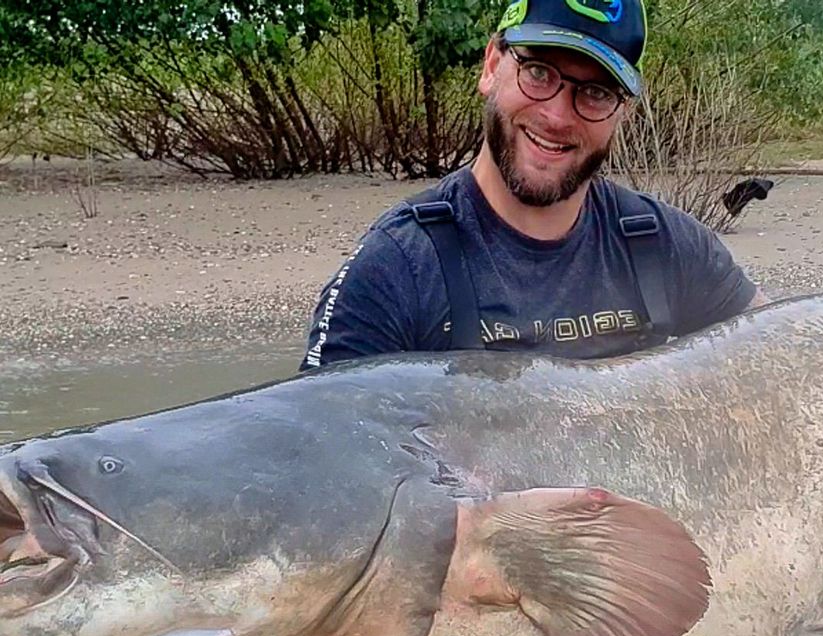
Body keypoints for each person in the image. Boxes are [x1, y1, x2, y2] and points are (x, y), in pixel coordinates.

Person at [299, 0, 767, 371]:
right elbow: (320, 461)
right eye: (539, 72)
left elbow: (785, 367)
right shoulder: (396, 270)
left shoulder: (668, 247)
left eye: (597, 92)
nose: (557, 116)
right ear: (490, 66)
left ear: (622, 112)